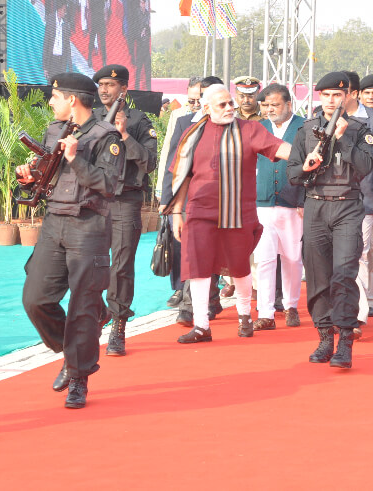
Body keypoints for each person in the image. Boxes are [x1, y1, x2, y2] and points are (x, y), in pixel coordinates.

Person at [19, 73, 124, 408]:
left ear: (72, 99)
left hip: (88, 227)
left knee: (82, 305)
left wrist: (76, 159)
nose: (51, 102)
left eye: (55, 97)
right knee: (36, 299)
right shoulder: (54, 130)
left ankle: (79, 377)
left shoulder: (106, 136)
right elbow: (47, 174)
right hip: (54, 222)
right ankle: (72, 350)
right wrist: (29, 177)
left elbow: (108, 185)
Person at [166, 84, 292, 343]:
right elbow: (183, 175)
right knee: (198, 266)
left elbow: (279, 148)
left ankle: (245, 315)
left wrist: (308, 155)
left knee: (239, 266)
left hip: (237, 212)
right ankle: (202, 326)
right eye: (222, 105)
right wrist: (177, 212)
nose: (229, 108)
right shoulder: (193, 134)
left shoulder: (249, 129)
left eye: (230, 103)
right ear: (206, 108)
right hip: (199, 210)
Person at [286, 71, 373, 368]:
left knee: (344, 274)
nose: (331, 100)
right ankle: (325, 336)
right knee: (317, 276)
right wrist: (306, 167)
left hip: (347, 206)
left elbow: (365, 167)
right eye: (326, 95)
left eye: (337, 95)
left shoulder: (360, 130)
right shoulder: (306, 130)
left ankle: (345, 340)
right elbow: (293, 174)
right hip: (315, 207)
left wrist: (343, 139)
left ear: (348, 97)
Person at [92, 64, 157, 356]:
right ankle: (96, 316)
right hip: (94, 201)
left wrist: (125, 135)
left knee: (120, 266)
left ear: (124, 89)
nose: (104, 90)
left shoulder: (139, 121)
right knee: (89, 264)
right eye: (101, 85)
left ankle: (118, 327)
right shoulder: (91, 119)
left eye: (110, 85)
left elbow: (150, 162)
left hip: (124, 201)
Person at [159, 76, 226, 324]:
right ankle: (189, 308)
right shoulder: (184, 122)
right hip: (190, 199)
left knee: (213, 251)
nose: (202, 100)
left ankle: (211, 297)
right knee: (192, 251)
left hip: (223, 200)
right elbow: (173, 163)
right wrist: (167, 198)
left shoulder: (233, 124)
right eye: (200, 96)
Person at [341, 71, 373, 336]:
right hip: (335, 197)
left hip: (366, 197)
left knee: (365, 253)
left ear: (353, 93)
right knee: (347, 254)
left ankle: (363, 308)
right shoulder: (327, 116)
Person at [252, 84, 306, 330]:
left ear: (288, 104)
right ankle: (265, 313)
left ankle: (290, 305)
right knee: (264, 259)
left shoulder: (304, 127)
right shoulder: (259, 128)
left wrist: (303, 199)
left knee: (292, 258)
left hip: (293, 203)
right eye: (266, 105)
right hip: (262, 203)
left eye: (275, 105)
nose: (270, 110)